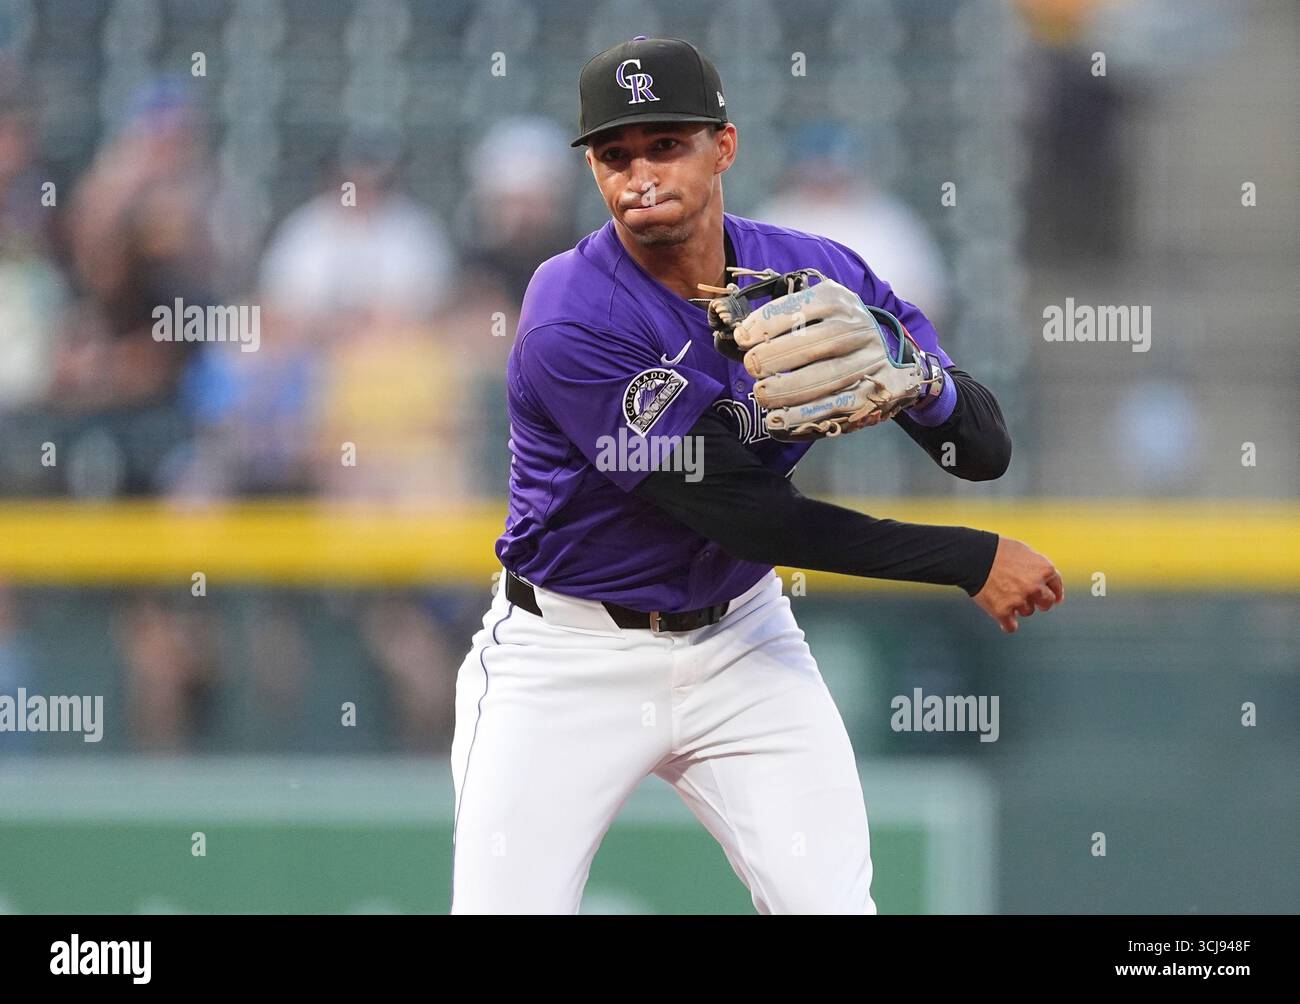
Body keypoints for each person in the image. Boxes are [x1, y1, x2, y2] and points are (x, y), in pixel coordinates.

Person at [450, 36, 1063, 915]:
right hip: (569, 654)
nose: (641, 175)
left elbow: (982, 452)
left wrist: (921, 381)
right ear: (592, 169)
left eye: (667, 145)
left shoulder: (818, 271)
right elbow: (746, 515)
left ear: (723, 147)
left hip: (740, 638)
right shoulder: (570, 315)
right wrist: (968, 559)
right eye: (615, 155)